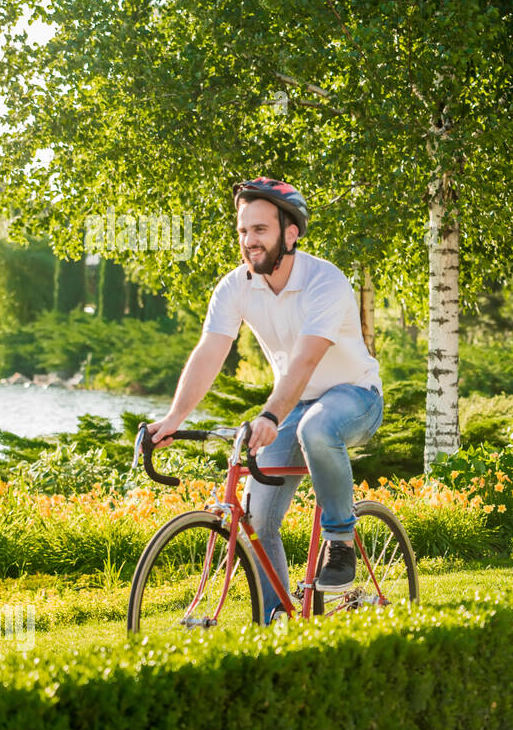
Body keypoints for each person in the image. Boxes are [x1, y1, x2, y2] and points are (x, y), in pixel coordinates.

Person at [146, 177, 384, 622]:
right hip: (295, 406)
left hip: (354, 396)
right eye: (242, 231)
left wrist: (271, 414)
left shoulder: (324, 281)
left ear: (290, 233)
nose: (248, 241)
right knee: (254, 520)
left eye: (260, 230)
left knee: (318, 427)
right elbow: (210, 351)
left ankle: (340, 541)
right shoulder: (236, 286)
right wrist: (175, 417)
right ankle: (280, 620)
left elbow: (305, 362)